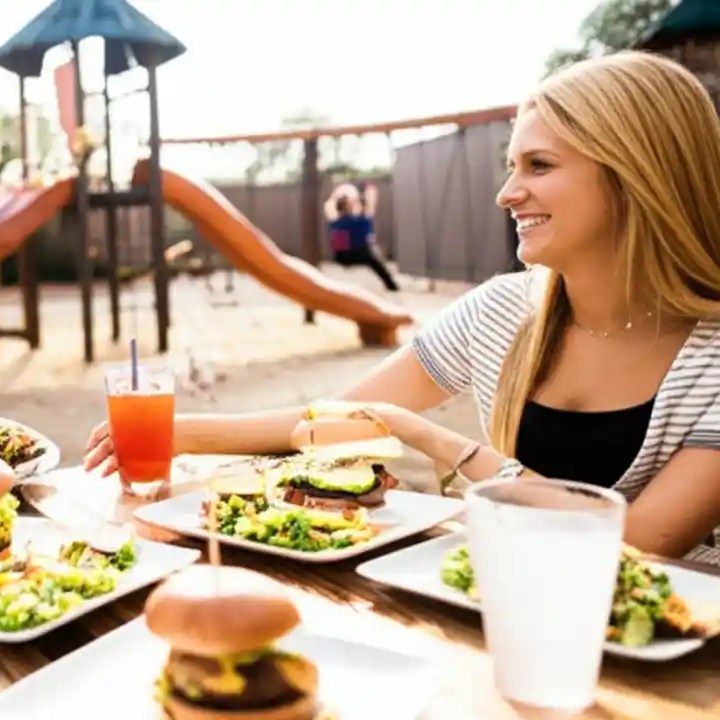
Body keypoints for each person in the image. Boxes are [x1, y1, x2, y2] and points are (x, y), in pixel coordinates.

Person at [86, 51, 720, 565]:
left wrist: (433, 439)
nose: (506, 192)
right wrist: (179, 433)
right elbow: (335, 420)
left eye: (540, 165)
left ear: (636, 175)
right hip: (510, 602)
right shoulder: (502, 311)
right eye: (510, 166)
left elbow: (635, 542)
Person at [324, 181, 400, 291]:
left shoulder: (335, 223)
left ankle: (392, 286)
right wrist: (371, 193)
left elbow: (328, 206)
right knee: (374, 257)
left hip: (341, 257)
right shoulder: (361, 222)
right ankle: (392, 286)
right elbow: (370, 206)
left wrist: (335, 193)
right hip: (361, 255)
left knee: (363, 246)